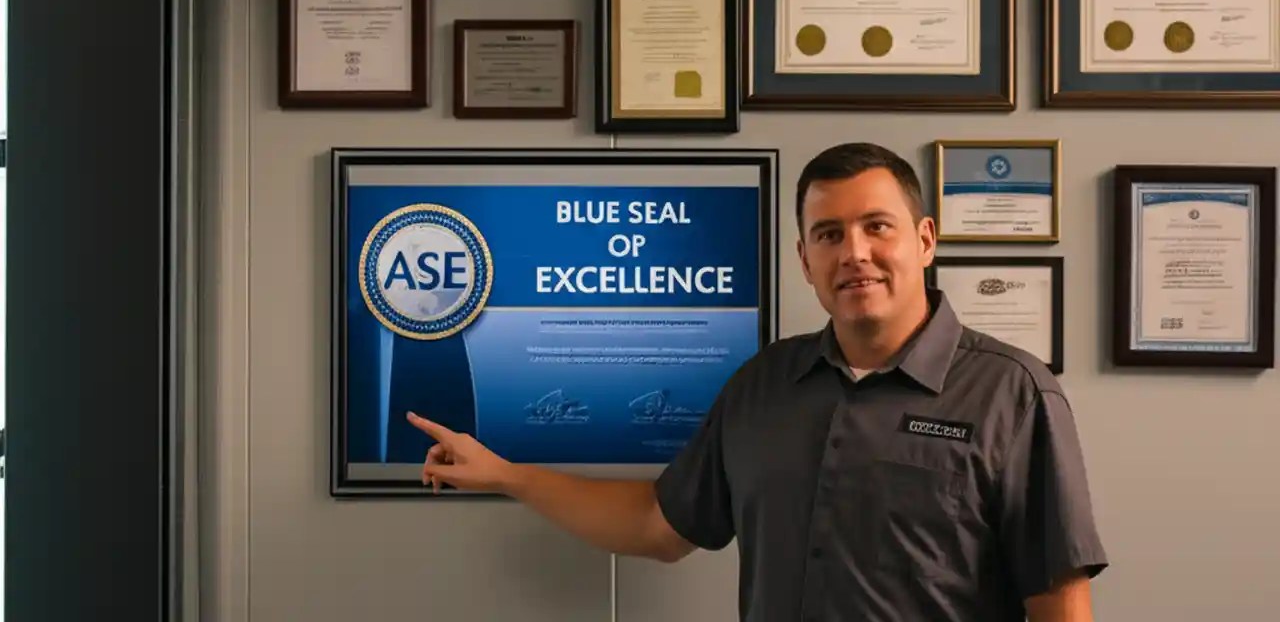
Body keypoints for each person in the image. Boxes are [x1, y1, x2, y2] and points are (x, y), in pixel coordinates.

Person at [406, 142, 1109, 621]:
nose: (855, 253)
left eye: (877, 227)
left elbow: (1058, 605)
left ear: (924, 240)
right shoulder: (765, 384)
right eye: (829, 234)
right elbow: (659, 524)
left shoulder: (1013, 393)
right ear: (804, 258)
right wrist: (508, 475)